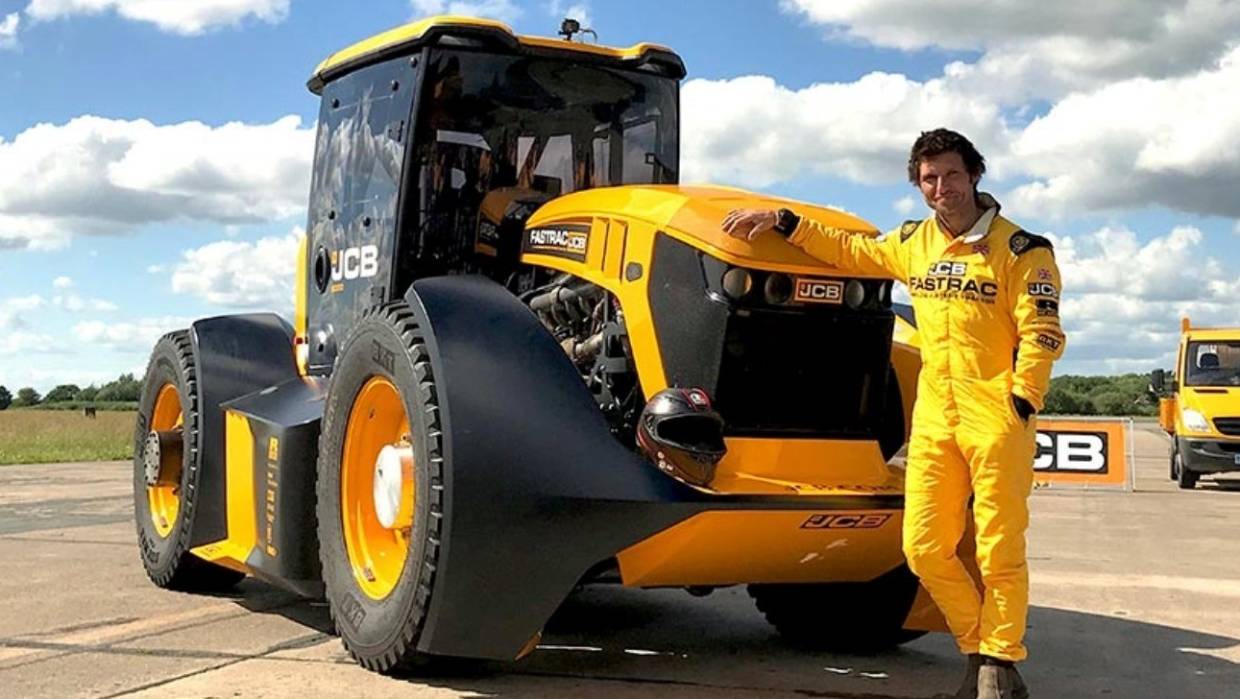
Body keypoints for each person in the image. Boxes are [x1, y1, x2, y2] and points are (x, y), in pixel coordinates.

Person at [722, 129, 1064, 699]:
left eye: (951, 175)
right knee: (923, 548)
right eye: (929, 179)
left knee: (998, 545)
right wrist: (783, 220)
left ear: (974, 175)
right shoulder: (913, 243)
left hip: (996, 413)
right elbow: (850, 251)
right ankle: (983, 647)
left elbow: (1044, 333)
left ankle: (997, 667)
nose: (941, 188)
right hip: (935, 418)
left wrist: (1021, 399)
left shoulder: (1022, 250)